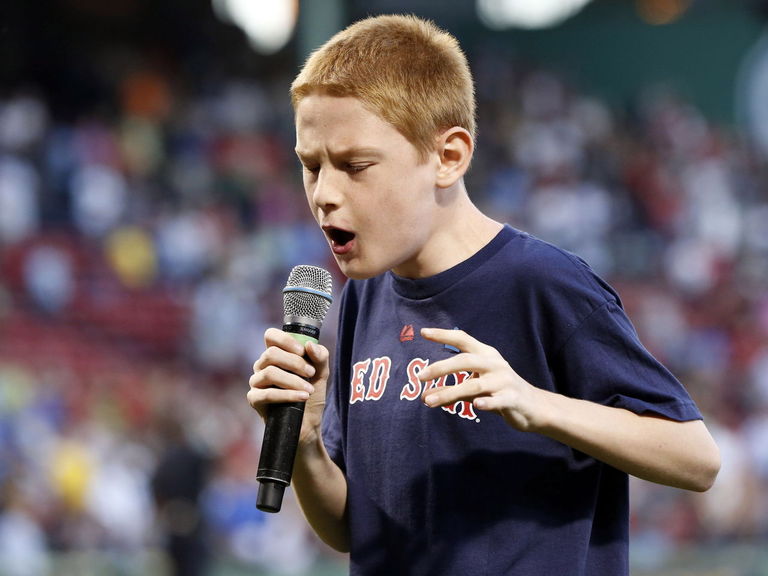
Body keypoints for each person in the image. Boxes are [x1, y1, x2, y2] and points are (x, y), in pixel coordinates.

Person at [247, 14, 720, 575]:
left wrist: (538, 404)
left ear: (448, 157)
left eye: (355, 165)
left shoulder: (542, 284)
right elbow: (352, 531)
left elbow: (697, 458)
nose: (324, 193)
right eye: (311, 166)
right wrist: (304, 449)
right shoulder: (360, 299)